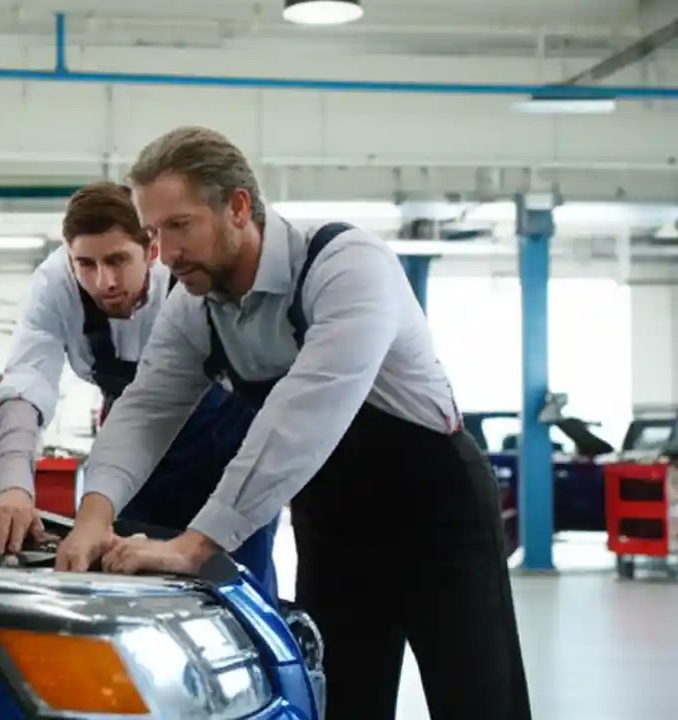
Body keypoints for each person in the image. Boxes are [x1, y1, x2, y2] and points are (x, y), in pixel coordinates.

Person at [55, 128, 531, 720]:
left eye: (180, 225)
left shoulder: (347, 266)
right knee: (342, 703)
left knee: (479, 702)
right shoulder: (192, 308)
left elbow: (304, 414)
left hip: (437, 514)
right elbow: (146, 410)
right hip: (334, 525)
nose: (167, 253)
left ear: (238, 207)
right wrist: (93, 517)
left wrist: (195, 545)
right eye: (154, 233)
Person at [0, 182, 279, 596]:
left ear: (152, 249)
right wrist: (15, 487)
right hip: (131, 455)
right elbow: (26, 381)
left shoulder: (191, 277)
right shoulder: (55, 284)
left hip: (225, 451)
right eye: (84, 263)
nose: (104, 281)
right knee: (124, 581)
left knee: (237, 591)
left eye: (118, 260)